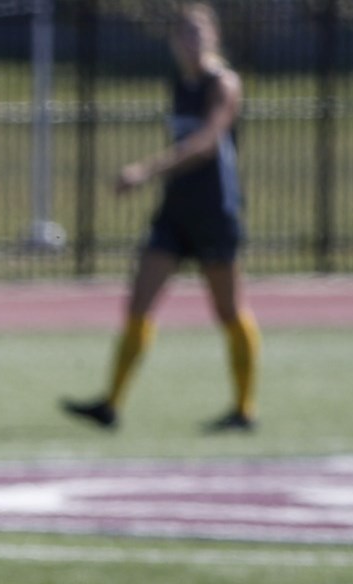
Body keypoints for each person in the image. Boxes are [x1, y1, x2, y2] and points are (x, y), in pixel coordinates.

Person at [63, 3, 258, 433]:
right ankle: (110, 404)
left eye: (198, 32)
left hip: (213, 211)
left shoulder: (222, 84)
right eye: (183, 33)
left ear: (213, 37)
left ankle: (244, 410)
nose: (190, 41)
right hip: (175, 211)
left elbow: (207, 142)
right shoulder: (179, 83)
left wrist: (146, 170)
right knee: (139, 303)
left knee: (228, 310)